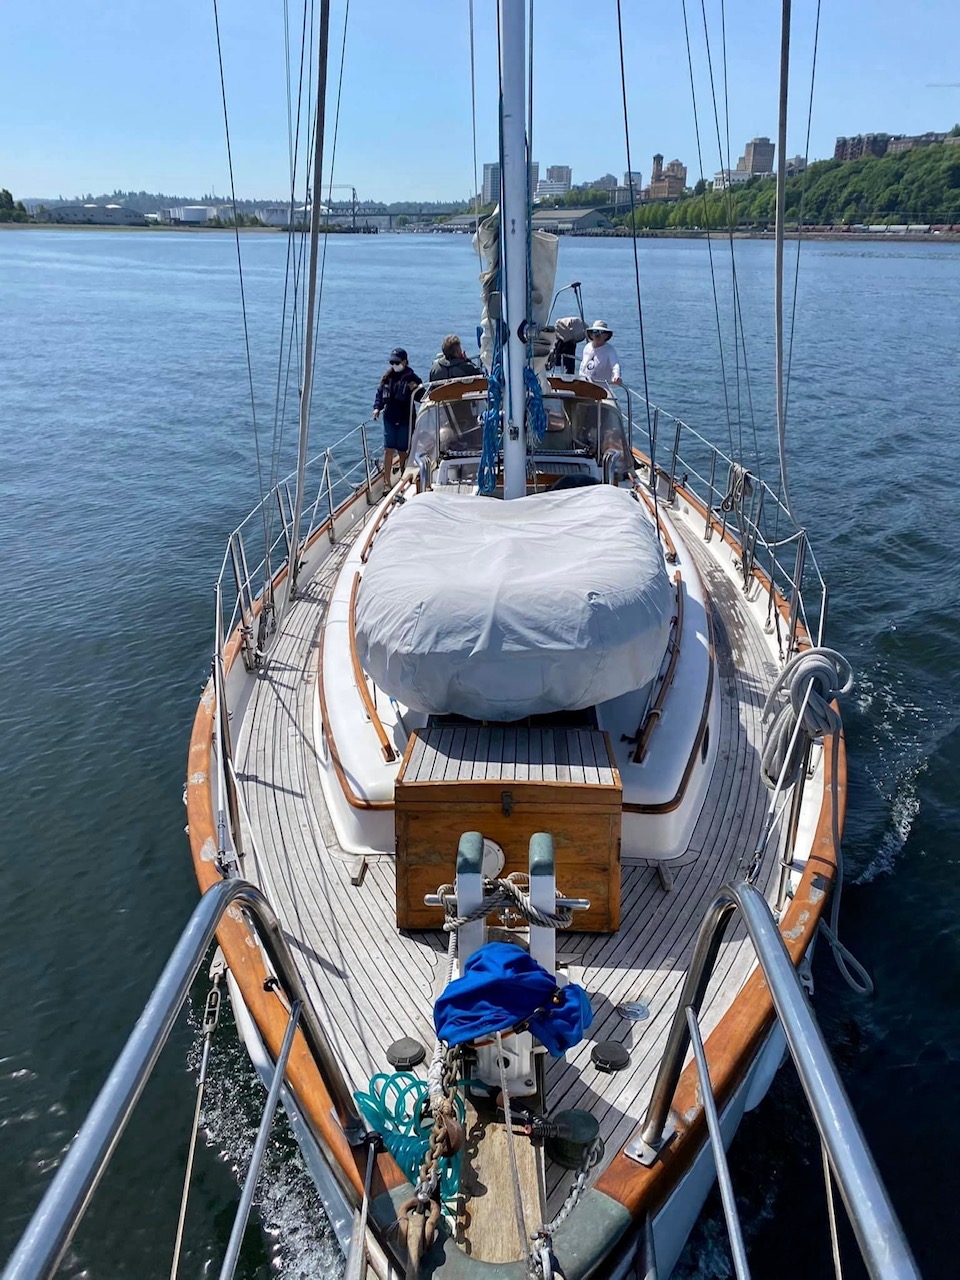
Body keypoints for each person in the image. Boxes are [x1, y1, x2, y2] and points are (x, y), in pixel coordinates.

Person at [373, 347, 422, 484]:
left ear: (405, 362)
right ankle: (387, 483)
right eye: (392, 363)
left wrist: (416, 389)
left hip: (405, 419)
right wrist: (376, 408)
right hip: (389, 418)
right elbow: (380, 395)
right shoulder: (387, 378)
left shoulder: (412, 378)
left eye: (397, 362)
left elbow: (422, 397)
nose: (394, 365)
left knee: (402, 451)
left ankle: (403, 478)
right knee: (388, 450)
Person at [579, 320, 622, 389]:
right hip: (586, 384)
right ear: (591, 335)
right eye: (595, 331)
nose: (597, 335)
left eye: (601, 332)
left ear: (606, 335)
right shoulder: (587, 347)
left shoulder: (610, 350)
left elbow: (615, 365)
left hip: (602, 388)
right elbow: (583, 365)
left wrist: (616, 376)